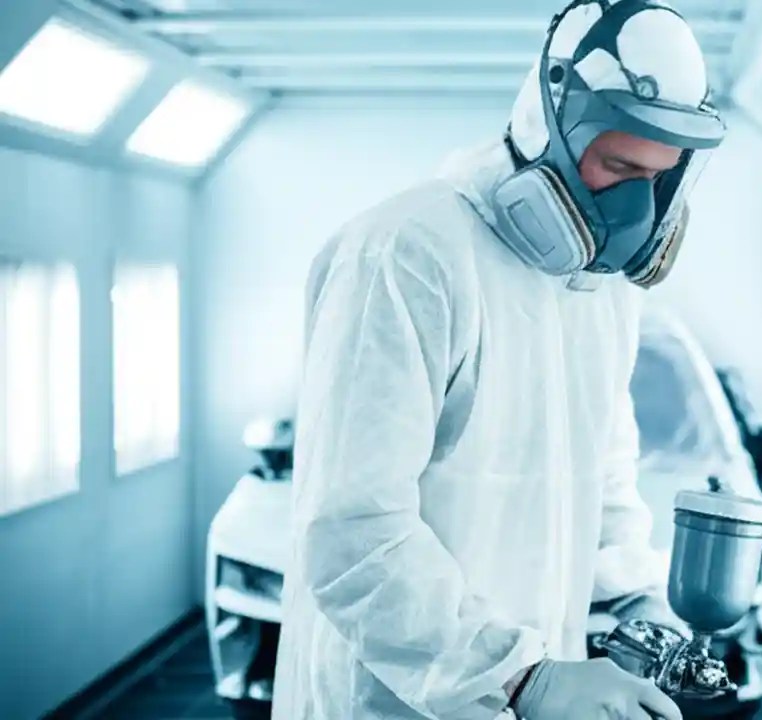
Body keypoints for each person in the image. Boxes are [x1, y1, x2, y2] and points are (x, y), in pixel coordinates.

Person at [271, 1, 727, 718]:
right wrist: (521, 678)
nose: (635, 208)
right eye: (618, 167)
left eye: (656, 178)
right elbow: (352, 530)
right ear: (549, 124)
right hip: (394, 699)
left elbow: (601, 476)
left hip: (524, 686)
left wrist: (636, 598)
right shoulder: (407, 255)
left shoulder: (602, 290)